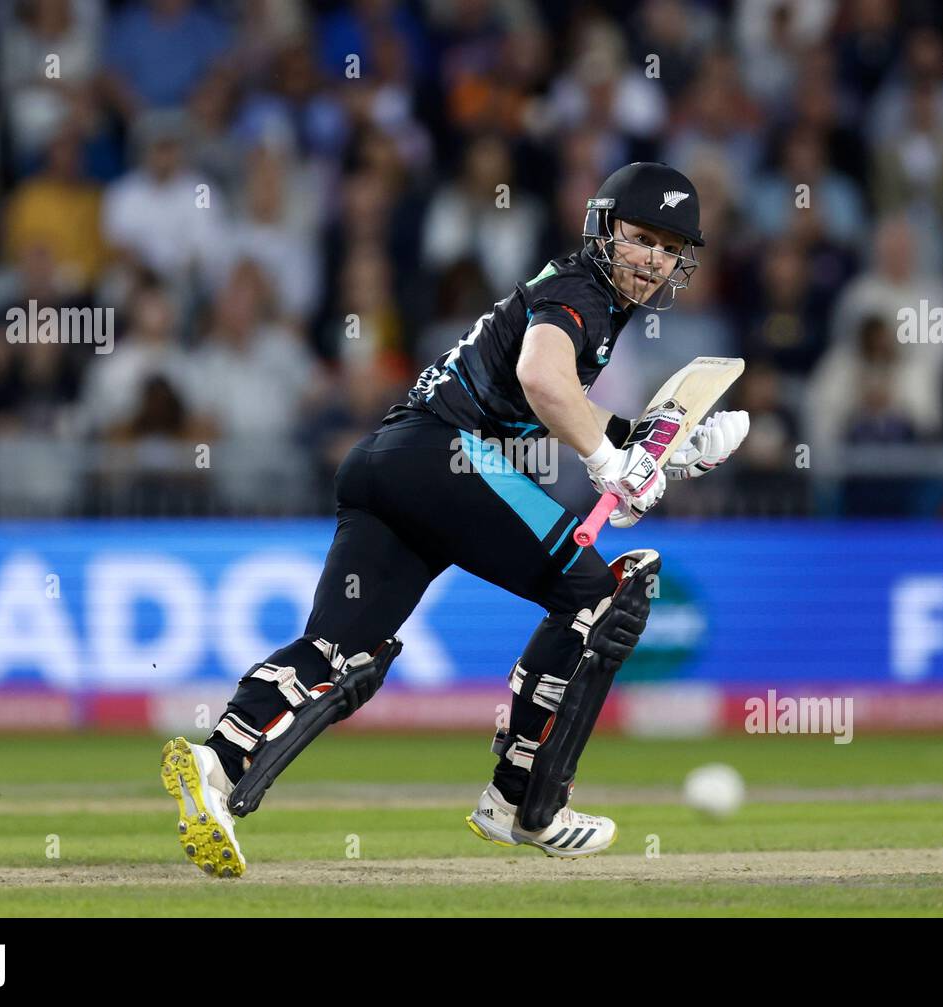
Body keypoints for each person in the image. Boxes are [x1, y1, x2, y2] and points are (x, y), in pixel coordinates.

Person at [161, 162, 750, 876]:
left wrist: (657, 450)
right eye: (640, 237)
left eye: (667, 247)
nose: (652, 259)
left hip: (389, 460)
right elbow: (542, 380)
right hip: (449, 458)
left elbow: (559, 398)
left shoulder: (585, 296)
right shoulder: (580, 288)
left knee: (340, 652)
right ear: (604, 229)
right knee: (600, 599)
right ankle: (522, 800)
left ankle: (214, 764)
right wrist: (606, 459)